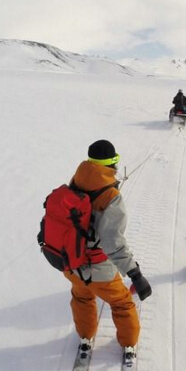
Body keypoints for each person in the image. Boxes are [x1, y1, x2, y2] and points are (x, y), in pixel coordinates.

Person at [65, 140, 152, 358]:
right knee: (122, 303)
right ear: (113, 163)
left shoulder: (75, 181)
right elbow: (112, 240)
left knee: (82, 297)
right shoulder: (112, 197)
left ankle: (85, 335)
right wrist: (135, 273)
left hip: (70, 263)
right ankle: (129, 343)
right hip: (98, 269)